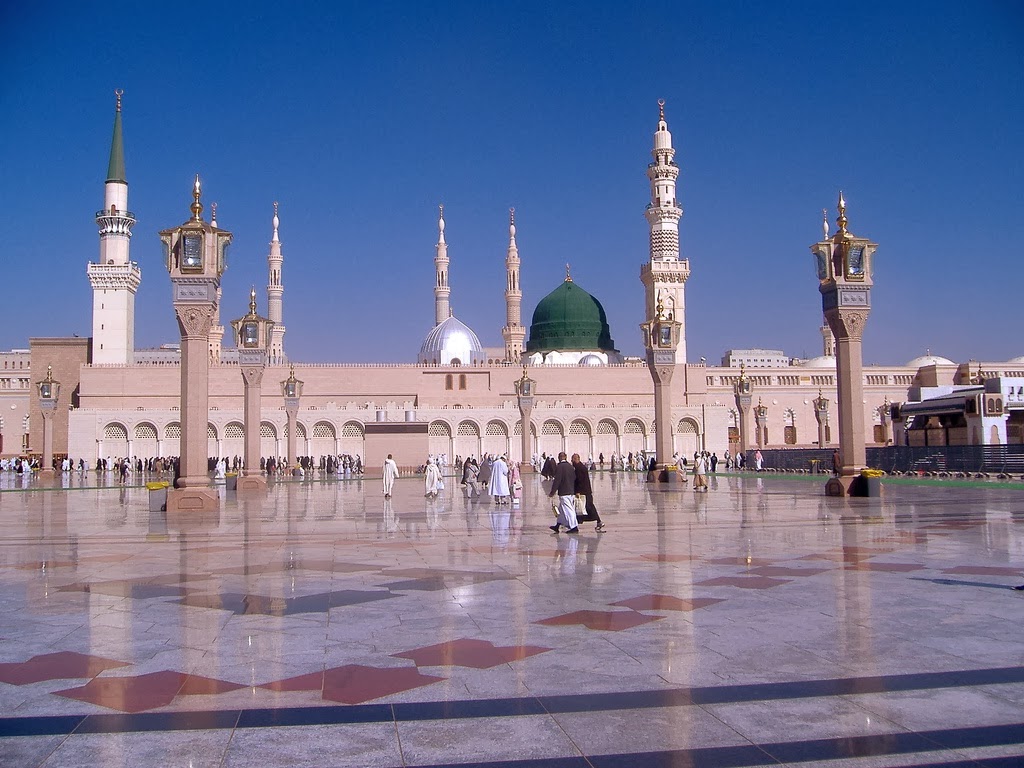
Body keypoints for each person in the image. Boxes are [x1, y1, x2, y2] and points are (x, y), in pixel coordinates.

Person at [571, 453, 606, 531]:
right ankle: (597, 521)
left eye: (572, 459)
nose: (571, 461)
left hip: (583, 492)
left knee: (586, 507)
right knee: (588, 507)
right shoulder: (581, 467)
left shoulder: (578, 468)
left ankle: (579, 521)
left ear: (576, 459)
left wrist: (578, 491)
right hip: (587, 491)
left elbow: (579, 481)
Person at [548, 452, 579, 534]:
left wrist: (552, 492)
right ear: (566, 457)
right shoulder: (570, 466)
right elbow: (574, 479)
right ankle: (557, 525)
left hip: (564, 492)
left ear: (559, 457)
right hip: (571, 491)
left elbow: (557, 480)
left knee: (569, 510)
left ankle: (574, 527)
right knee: (561, 510)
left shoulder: (559, 467)